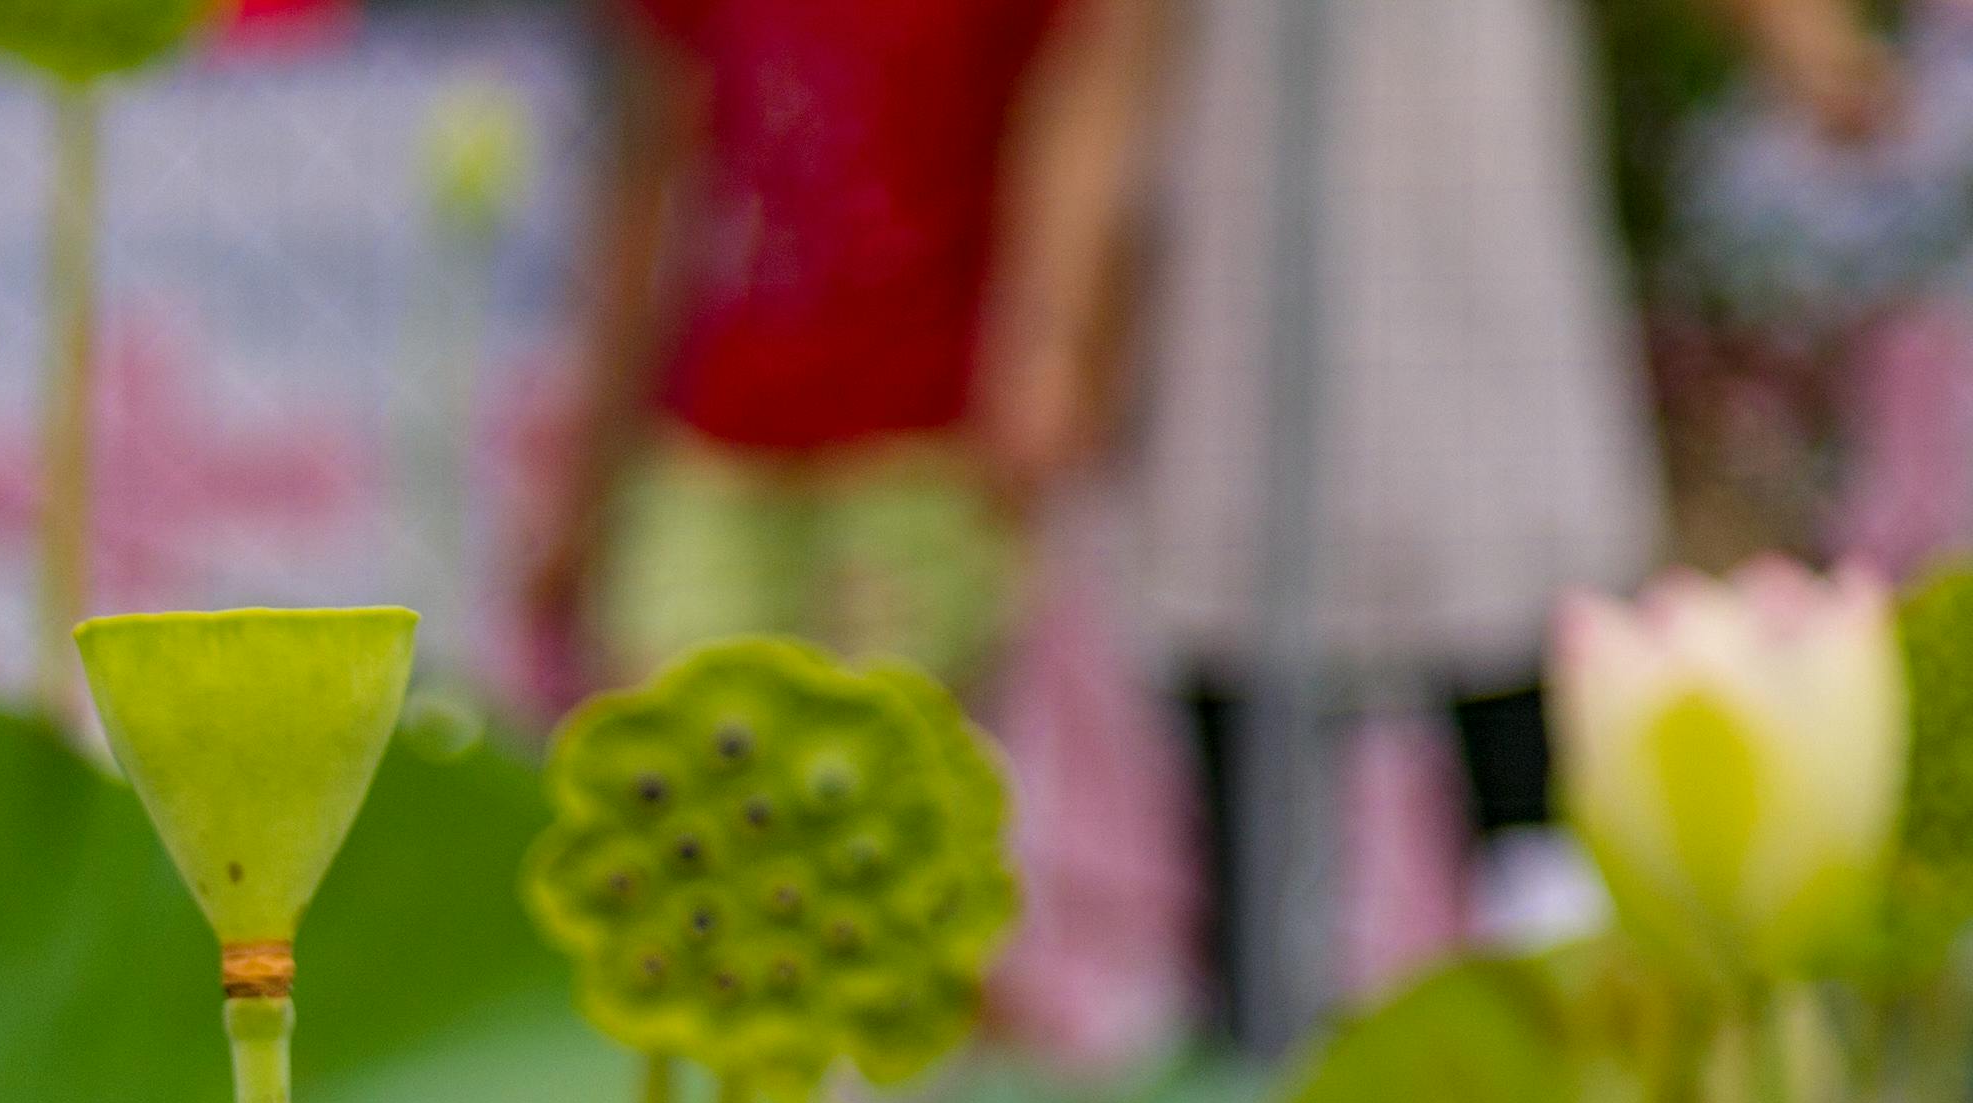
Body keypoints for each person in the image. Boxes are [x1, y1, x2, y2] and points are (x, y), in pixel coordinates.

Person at [1129, 0, 1892, 1031]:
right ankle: (1251, 1092)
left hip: (1484, 332)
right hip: (1257, 368)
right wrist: (1053, 328)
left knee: (1535, 791)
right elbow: (1113, 59)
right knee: (1256, 840)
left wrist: (1809, 46)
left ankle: (1580, 1068)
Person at [530, 0, 1161, 699]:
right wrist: (590, 463)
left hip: (924, 437)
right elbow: (652, 170)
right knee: (673, 749)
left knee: (880, 761)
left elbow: (1081, 144)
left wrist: (1055, 351)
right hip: (709, 431)